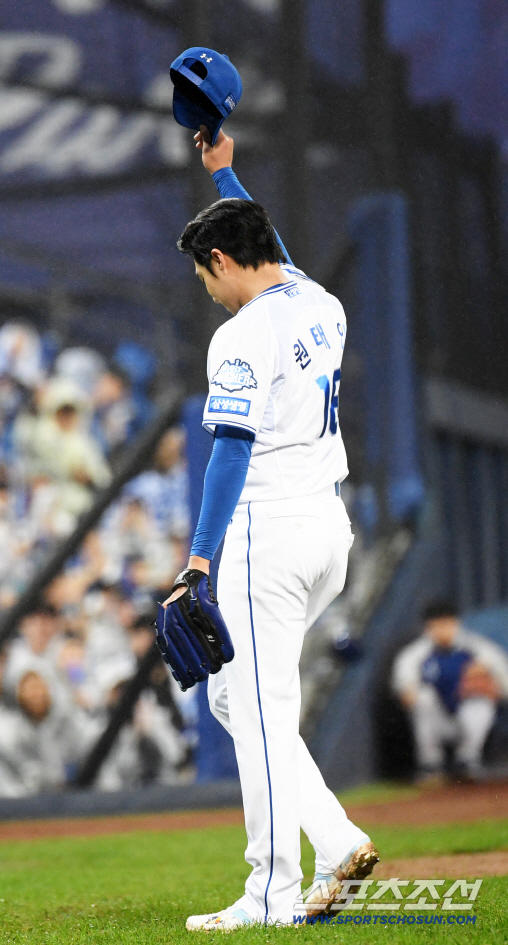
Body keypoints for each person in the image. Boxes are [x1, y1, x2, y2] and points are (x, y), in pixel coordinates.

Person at [162, 127, 377, 930]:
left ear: (220, 259)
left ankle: (268, 893)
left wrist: (198, 562)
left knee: (252, 712)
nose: (207, 289)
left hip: (268, 537)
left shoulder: (242, 333)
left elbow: (230, 453)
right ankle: (338, 836)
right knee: (235, 699)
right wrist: (227, 176)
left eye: (204, 273)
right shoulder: (321, 302)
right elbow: (272, 252)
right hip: (328, 533)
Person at [391, 600, 508, 782]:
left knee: (482, 701)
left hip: (467, 717)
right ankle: (431, 765)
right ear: (427, 627)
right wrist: (411, 691)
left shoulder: (477, 648)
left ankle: (468, 760)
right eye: (436, 625)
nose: (441, 629)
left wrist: (491, 688)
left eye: (446, 623)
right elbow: (406, 692)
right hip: (436, 721)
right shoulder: (415, 654)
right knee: (423, 697)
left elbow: (503, 681)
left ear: (456, 623)